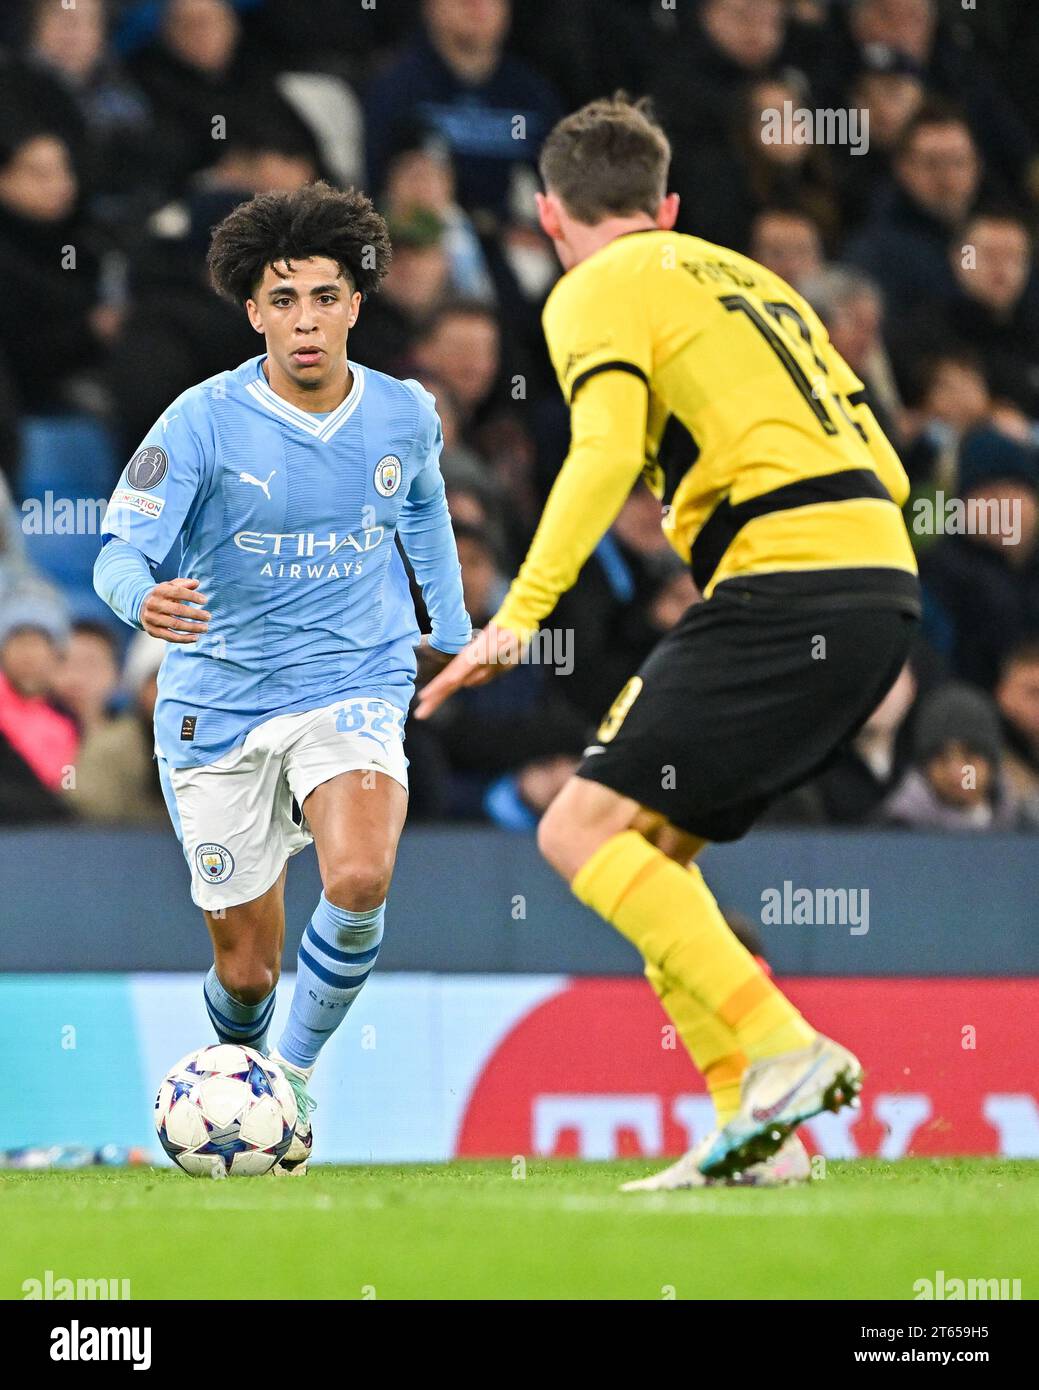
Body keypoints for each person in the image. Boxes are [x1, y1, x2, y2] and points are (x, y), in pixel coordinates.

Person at [418, 96, 921, 1189]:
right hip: (878, 583)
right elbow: (884, 461)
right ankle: (750, 1123)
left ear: (549, 215)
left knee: (573, 829)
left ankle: (784, 1046)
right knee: (646, 850)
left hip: (787, 579)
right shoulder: (758, 281)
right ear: (669, 205)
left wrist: (522, 611)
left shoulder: (597, 285)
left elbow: (599, 450)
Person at [93, 182, 470, 1173]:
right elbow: (118, 551)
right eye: (283, 299)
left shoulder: (404, 413)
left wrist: (455, 624)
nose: (305, 319)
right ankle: (242, 1068)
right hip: (216, 704)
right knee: (248, 967)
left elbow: (423, 514)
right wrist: (143, 601)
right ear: (253, 311)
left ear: (356, 303)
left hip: (352, 677)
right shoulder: (204, 418)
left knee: (356, 873)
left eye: (325, 297)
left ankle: (288, 1086)